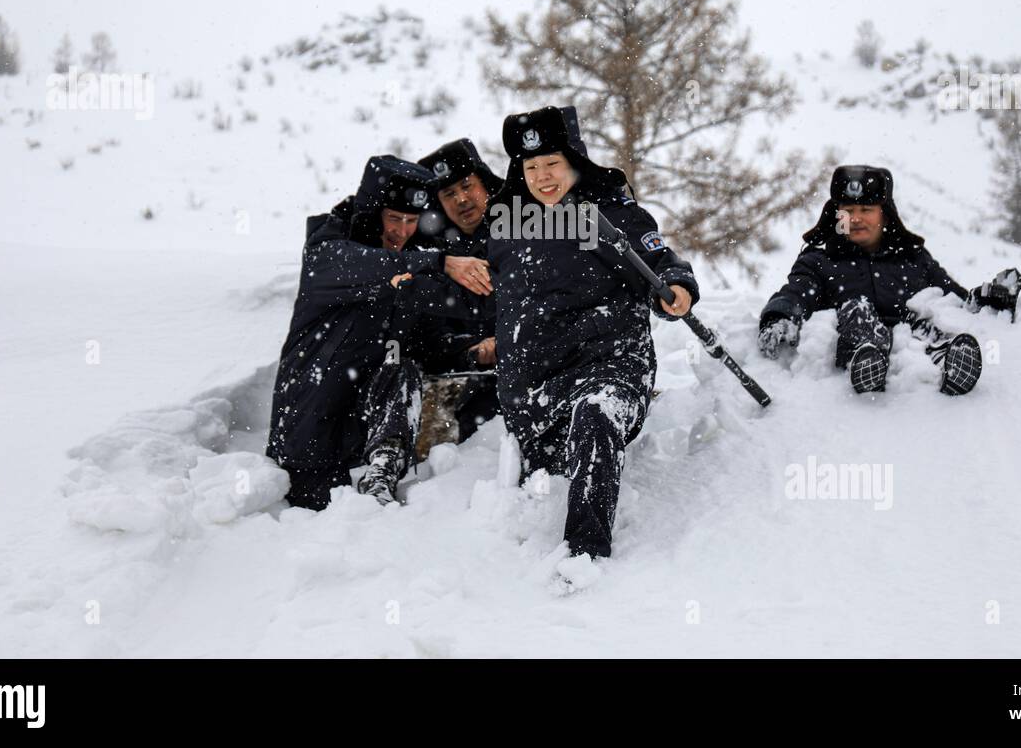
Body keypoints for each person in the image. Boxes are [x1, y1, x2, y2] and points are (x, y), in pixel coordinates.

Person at [486, 105, 699, 564]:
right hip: (535, 385)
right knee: (556, 452)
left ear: (575, 162)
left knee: (596, 415)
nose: (543, 177)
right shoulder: (504, 225)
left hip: (612, 364)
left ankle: (585, 555)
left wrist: (677, 285)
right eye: (532, 167)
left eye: (553, 164)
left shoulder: (610, 213)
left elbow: (658, 258)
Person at [266, 155, 485, 509]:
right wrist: (437, 262)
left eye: (412, 220)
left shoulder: (409, 270)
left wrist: (475, 351)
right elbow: (360, 266)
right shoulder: (329, 251)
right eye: (394, 218)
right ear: (372, 213)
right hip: (307, 445)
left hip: (362, 448)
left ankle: (384, 468)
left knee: (402, 364)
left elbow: (430, 346)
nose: (401, 232)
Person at [757, 164, 1021, 395]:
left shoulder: (913, 259)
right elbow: (795, 292)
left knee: (925, 315)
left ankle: (951, 363)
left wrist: (988, 299)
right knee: (856, 308)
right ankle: (866, 361)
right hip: (854, 343)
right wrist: (779, 317)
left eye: (866, 209)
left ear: (885, 213)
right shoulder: (819, 261)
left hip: (914, 347)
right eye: (848, 209)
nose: (856, 218)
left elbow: (952, 299)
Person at [415, 138, 503, 442]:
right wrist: (468, 351)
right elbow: (426, 331)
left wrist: (505, 340)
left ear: (486, 184)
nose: (461, 199)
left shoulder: (522, 229)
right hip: (459, 383)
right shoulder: (431, 255)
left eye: (467, 186)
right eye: (449, 193)